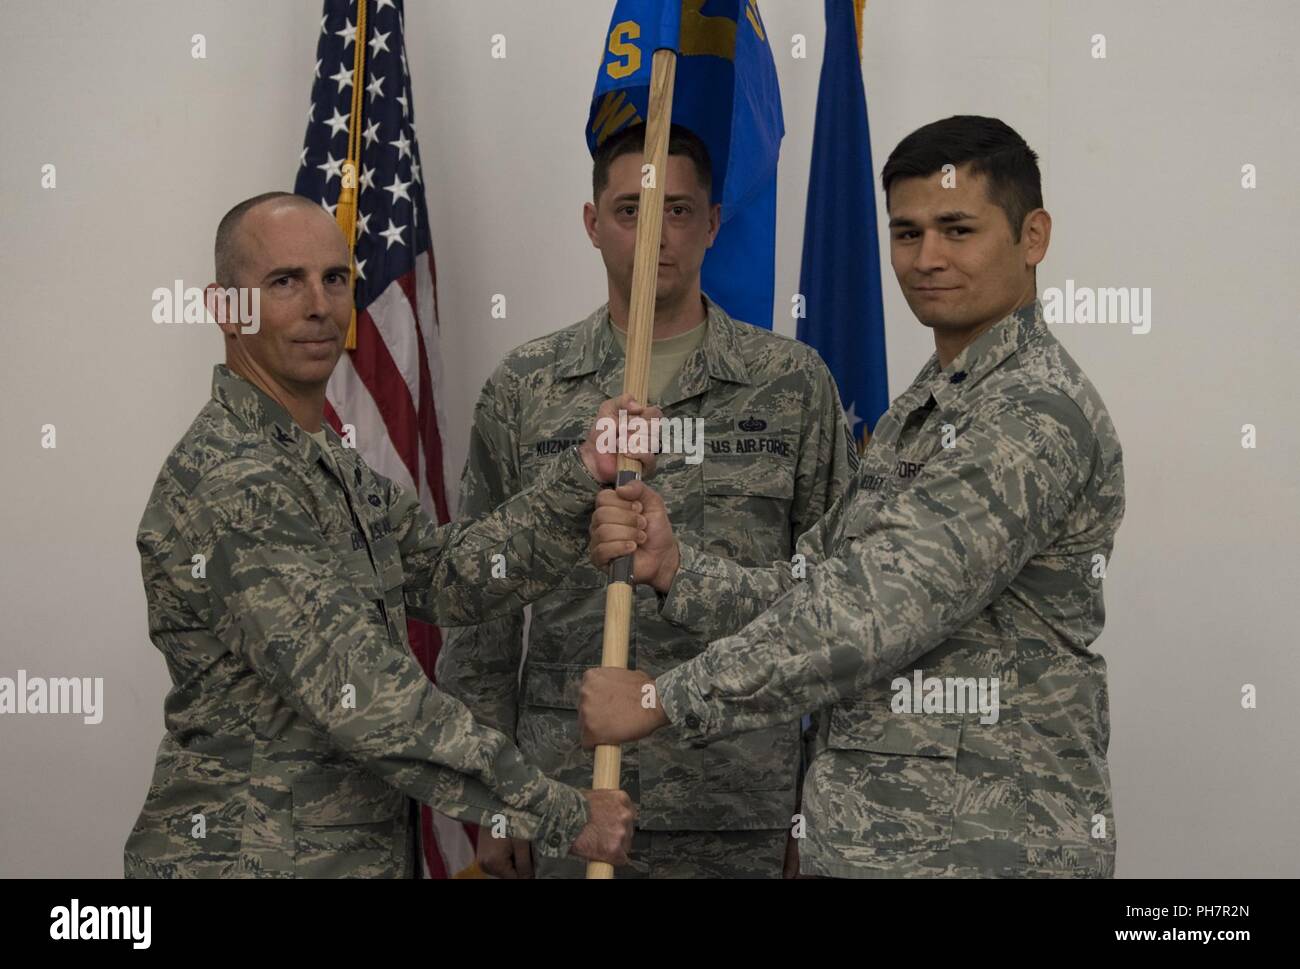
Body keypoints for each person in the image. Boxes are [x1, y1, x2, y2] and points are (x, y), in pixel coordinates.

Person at [582, 116, 1127, 878]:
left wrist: (664, 697)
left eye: (957, 229)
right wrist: (679, 570)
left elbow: (880, 605)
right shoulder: (929, 406)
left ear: (1032, 236)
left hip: (987, 846)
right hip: (885, 845)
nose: (927, 258)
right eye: (906, 233)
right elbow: (821, 583)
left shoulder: (1032, 412)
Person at [125, 192, 648, 877]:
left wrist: (584, 475)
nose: (320, 304)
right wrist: (560, 811)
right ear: (227, 308)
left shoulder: (323, 463)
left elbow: (451, 573)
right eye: (285, 281)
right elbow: (366, 697)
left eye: (335, 278)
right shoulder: (234, 480)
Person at [436, 124, 855, 878]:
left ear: (715, 222)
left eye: (680, 211)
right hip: (565, 797)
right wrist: (494, 797)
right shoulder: (526, 387)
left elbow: (835, 598)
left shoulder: (791, 385)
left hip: (738, 800)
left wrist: (818, 802)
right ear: (593, 222)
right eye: (631, 210)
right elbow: (482, 608)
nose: (656, 233)